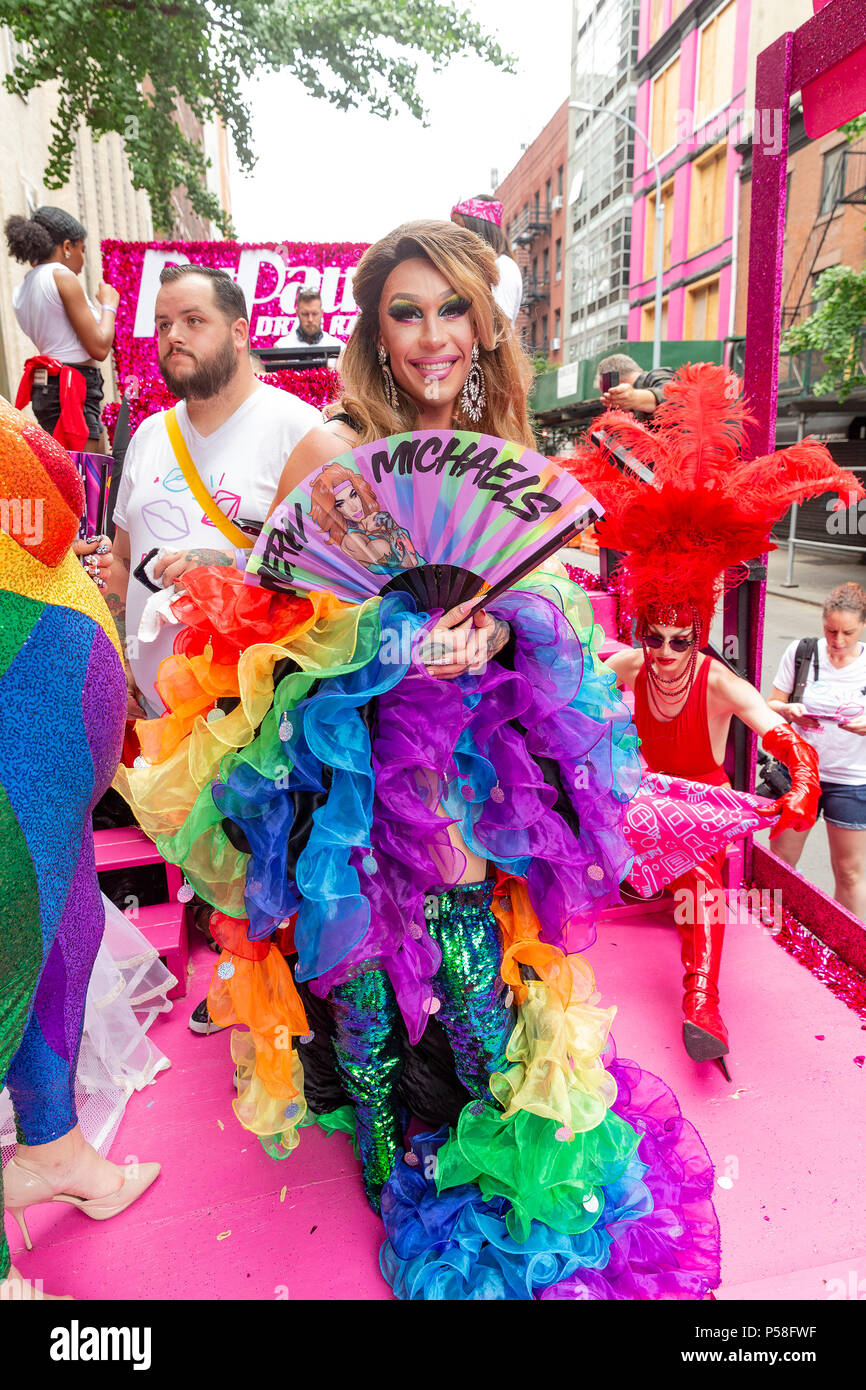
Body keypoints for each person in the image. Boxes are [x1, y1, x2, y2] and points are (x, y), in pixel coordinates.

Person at [116, 220, 725, 1301]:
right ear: (377, 332)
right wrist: (391, 636)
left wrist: (504, 626)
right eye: (406, 312)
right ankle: (390, 1175)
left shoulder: (518, 452)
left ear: (485, 326)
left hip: (483, 773)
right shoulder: (338, 447)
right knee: (358, 992)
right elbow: (291, 612)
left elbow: (555, 604)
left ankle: (484, 1170)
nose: (431, 336)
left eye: (451, 310)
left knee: (480, 982)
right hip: (362, 768)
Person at [568, 364, 861, 1076]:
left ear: (699, 633)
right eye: (655, 636)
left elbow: (773, 726)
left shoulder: (719, 681)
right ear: (643, 629)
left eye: (681, 639)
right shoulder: (629, 667)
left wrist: (802, 783)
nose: (666, 653)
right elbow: (566, 697)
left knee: (701, 884)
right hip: (632, 826)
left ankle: (702, 1003)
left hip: (695, 825)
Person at [0, 397, 159, 1300]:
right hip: (21, 728)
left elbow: (42, 520)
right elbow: (47, 509)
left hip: (43, 746)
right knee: (12, 951)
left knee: (59, 934)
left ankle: (53, 1147)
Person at [104, 263, 321, 720]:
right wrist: (117, 661)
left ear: (239, 333)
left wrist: (229, 567)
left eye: (193, 320)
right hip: (150, 723)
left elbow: (327, 584)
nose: (173, 336)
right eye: (164, 324)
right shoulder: (147, 436)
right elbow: (123, 561)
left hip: (253, 728)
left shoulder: (299, 430)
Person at [768, 582, 866, 919]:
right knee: (780, 860)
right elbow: (772, 702)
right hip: (799, 773)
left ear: (863, 627)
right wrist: (789, 710)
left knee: (849, 873)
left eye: (848, 633)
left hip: (852, 780)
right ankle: (770, 932)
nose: (838, 640)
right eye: (831, 630)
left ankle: (847, 949)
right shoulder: (802, 651)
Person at [5, 206, 119, 450]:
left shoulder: (22, 289)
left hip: (48, 387)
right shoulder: (61, 276)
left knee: (68, 473)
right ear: (67, 246)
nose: (83, 261)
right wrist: (109, 306)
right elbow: (99, 347)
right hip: (73, 388)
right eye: (82, 250)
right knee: (89, 478)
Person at [450, 196, 523, 326]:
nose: (454, 236)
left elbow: (498, 328)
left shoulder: (504, 268)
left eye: (460, 228)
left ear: (479, 231)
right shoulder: (469, 270)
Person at [594, 352, 674, 419]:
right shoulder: (633, 411)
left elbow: (673, 396)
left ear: (617, 387)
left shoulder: (656, 376)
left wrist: (635, 398)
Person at [275, 286, 343, 348]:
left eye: (314, 314)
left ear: (322, 313)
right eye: (305, 314)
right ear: (297, 313)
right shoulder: (282, 346)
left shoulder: (338, 347)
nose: (310, 319)